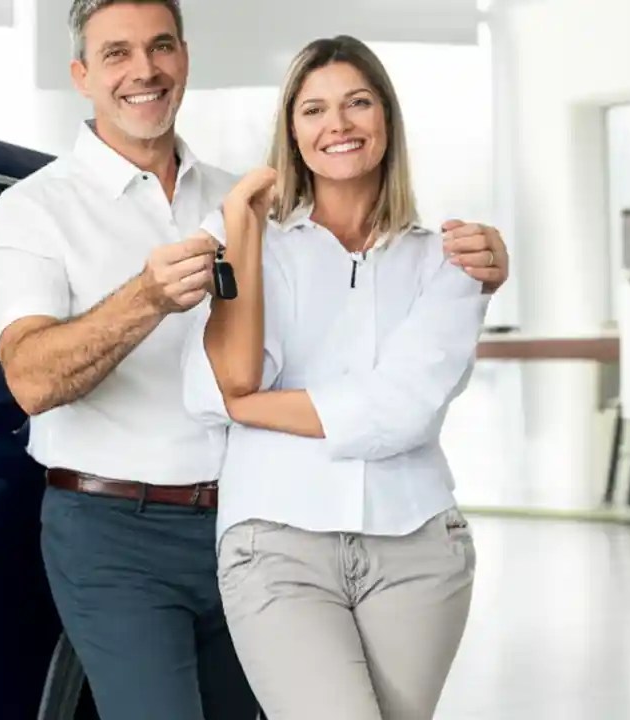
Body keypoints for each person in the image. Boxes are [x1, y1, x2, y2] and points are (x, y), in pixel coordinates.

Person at [0, 2, 510, 718]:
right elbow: (32, 380)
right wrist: (148, 295)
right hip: (117, 529)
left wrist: (481, 273)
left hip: (250, 519)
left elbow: (359, 348)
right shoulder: (33, 210)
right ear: (80, 74)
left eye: (161, 47)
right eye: (116, 54)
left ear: (185, 59)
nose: (144, 70)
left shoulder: (249, 201)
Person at [182, 35, 491, 720]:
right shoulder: (246, 236)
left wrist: (251, 404)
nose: (338, 125)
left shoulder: (449, 257)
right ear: (291, 132)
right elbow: (217, 386)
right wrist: (242, 230)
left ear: (387, 118)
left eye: (357, 103)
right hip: (276, 546)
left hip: (418, 547)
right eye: (314, 110)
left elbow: (401, 413)